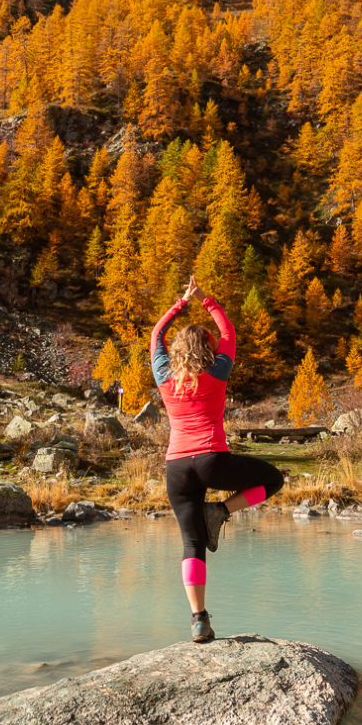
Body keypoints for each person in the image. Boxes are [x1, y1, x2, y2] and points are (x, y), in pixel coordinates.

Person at [149, 275, 284, 643]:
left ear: (177, 351)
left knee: (192, 545)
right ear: (208, 349)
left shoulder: (163, 374)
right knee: (273, 480)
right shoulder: (216, 371)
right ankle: (221, 511)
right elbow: (229, 334)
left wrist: (180, 304)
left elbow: (155, 337)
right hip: (211, 459)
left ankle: (198, 620)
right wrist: (208, 301)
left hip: (176, 467)